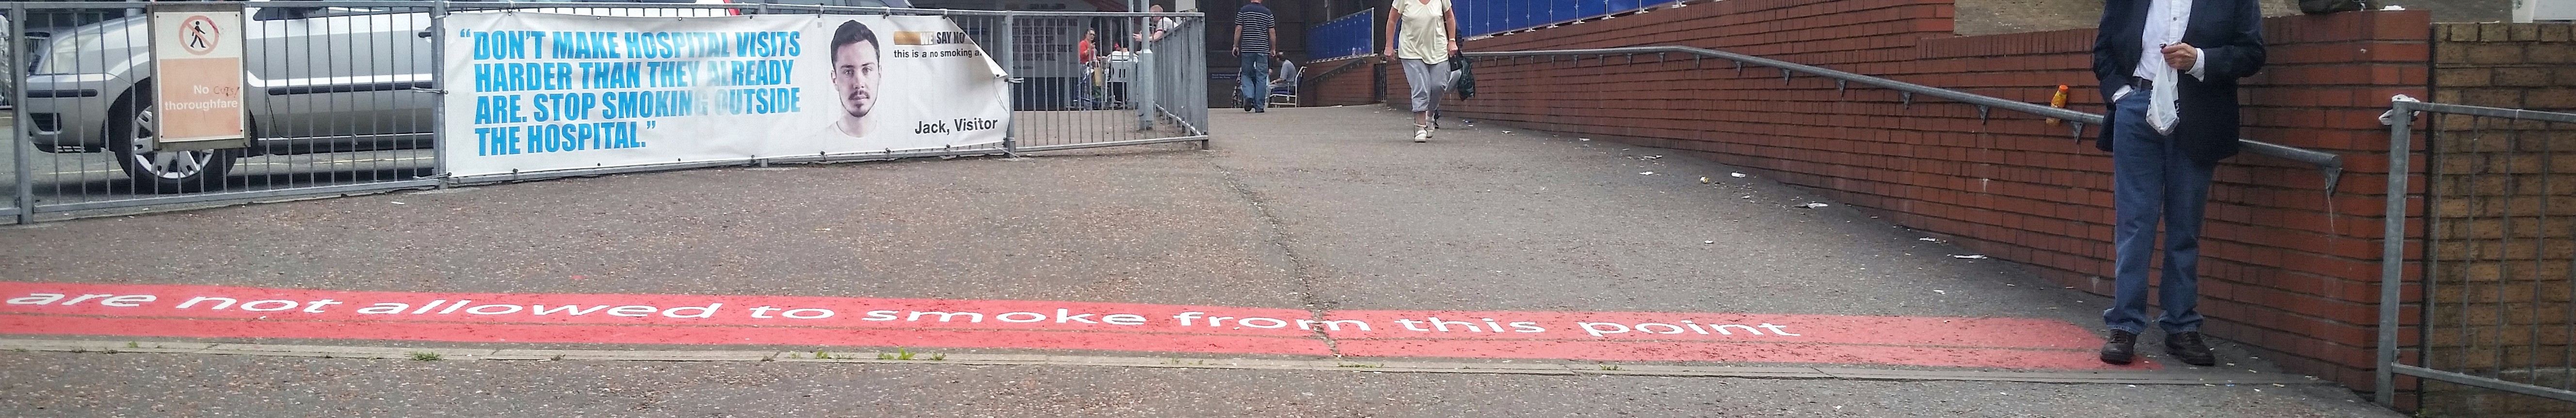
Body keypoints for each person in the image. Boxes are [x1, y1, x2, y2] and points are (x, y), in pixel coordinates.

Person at [2090, 0, 2266, 367]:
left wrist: (2200, 59)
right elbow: (2104, 50)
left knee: (2185, 226)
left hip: (2198, 112)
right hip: (2137, 108)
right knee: (2135, 224)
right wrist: (2123, 97)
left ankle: (2181, 327)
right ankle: (2124, 326)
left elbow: (2251, 54)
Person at [1383, 0, 1457, 142]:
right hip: (1411, 50)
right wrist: (1389, 46)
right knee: (1421, 87)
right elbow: (1392, 20)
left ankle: (1430, 115)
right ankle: (1420, 127)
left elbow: (1450, 17)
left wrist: (1452, 40)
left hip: (1438, 49)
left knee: (1439, 85)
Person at [826, 20, 884, 138]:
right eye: (848, 72)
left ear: (879, 74)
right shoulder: (815, 148)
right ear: (834, 79)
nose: (858, 84)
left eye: (866, 70)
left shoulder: (898, 144)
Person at [1233, 0, 1277, 113]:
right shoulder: (1268, 13)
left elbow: (1239, 28)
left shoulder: (1243, 11)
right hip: (1262, 49)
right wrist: (1273, 49)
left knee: (1246, 74)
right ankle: (1259, 106)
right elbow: (1272, 32)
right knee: (1262, 77)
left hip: (1247, 48)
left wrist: (1235, 46)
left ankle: (1249, 96)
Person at [1077, 29, 1101, 110]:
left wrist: (1100, 58)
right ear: (1086, 35)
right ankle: (1087, 105)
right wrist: (1089, 49)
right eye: (1090, 34)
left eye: (1094, 35)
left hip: (1096, 67)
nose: (1092, 36)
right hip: (1086, 66)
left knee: (1098, 84)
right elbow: (1082, 55)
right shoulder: (1083, 44)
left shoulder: (1092, 45)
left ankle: (1098, 102)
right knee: (1088, 85)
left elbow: (1093, 57)